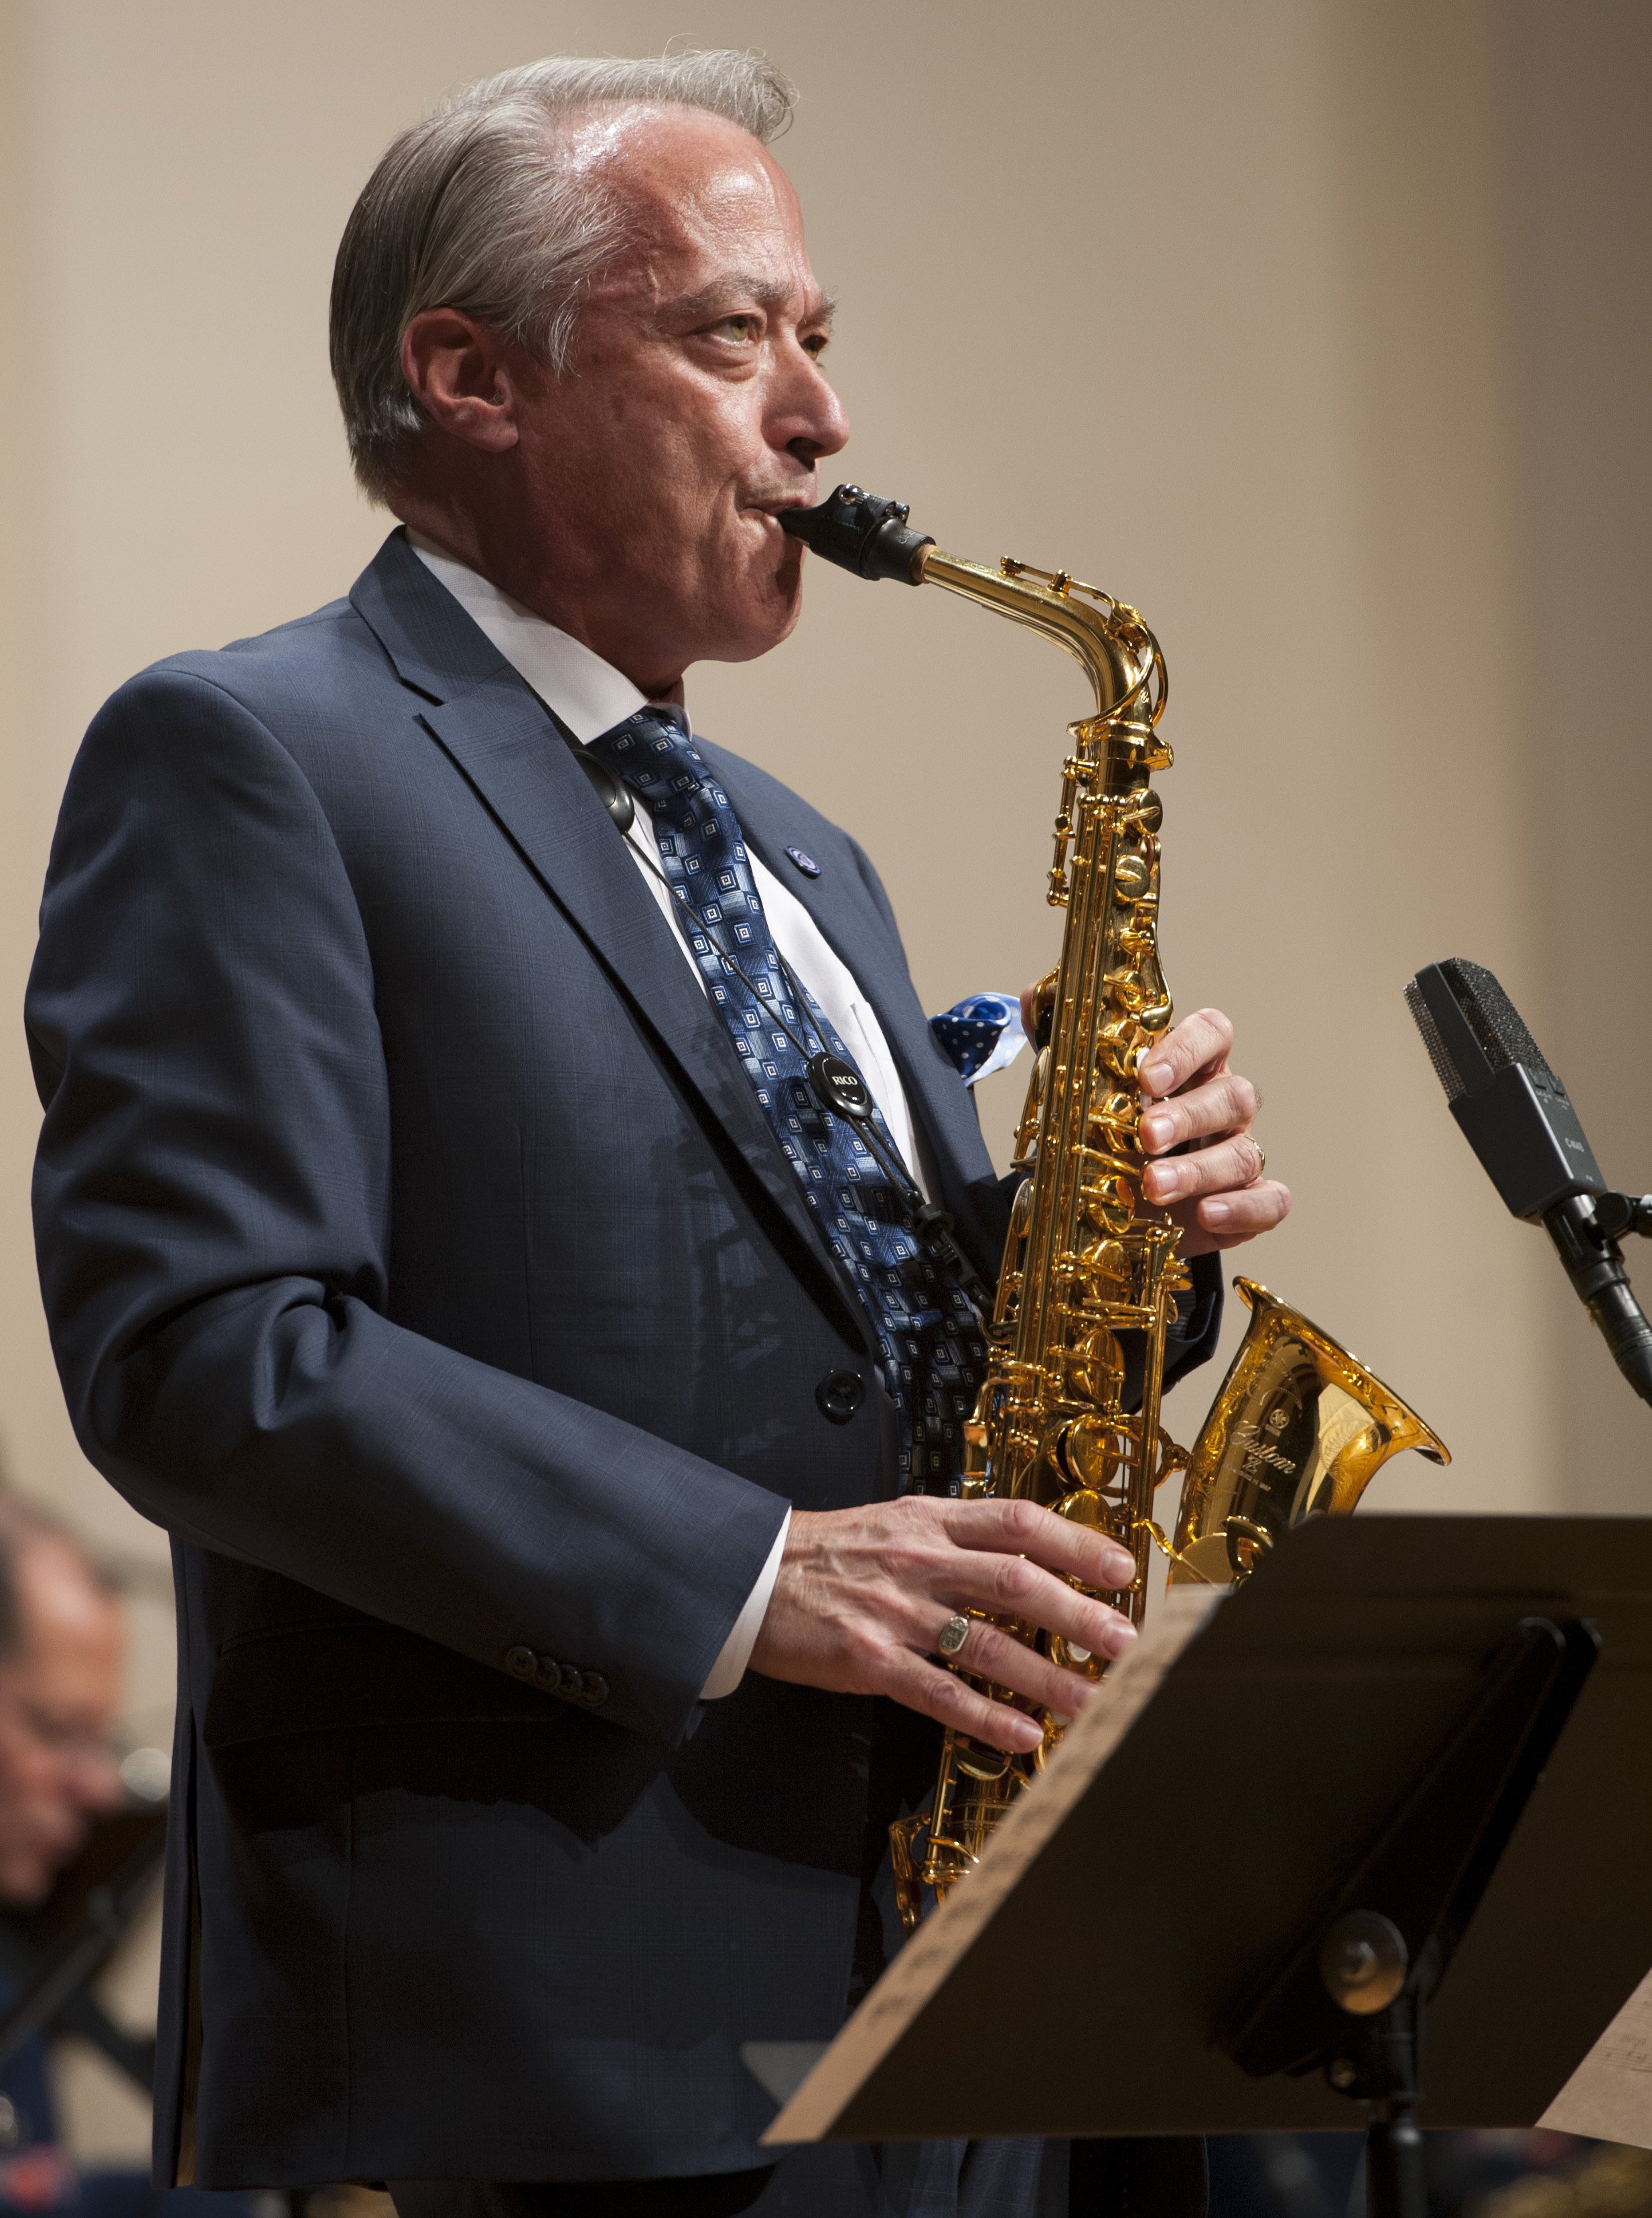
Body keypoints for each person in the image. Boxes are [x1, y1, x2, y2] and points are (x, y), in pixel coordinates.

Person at [26, 50, 1291, 2218]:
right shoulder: (250, 752)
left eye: (815, 340)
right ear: (469, 376)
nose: (817, 416)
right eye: (728, 334)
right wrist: (747, 1573)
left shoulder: (807, 859)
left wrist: (1114, 1240)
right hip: (540, 2045)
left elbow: (861, 1366)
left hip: (933, 1997)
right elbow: (207, 1348)